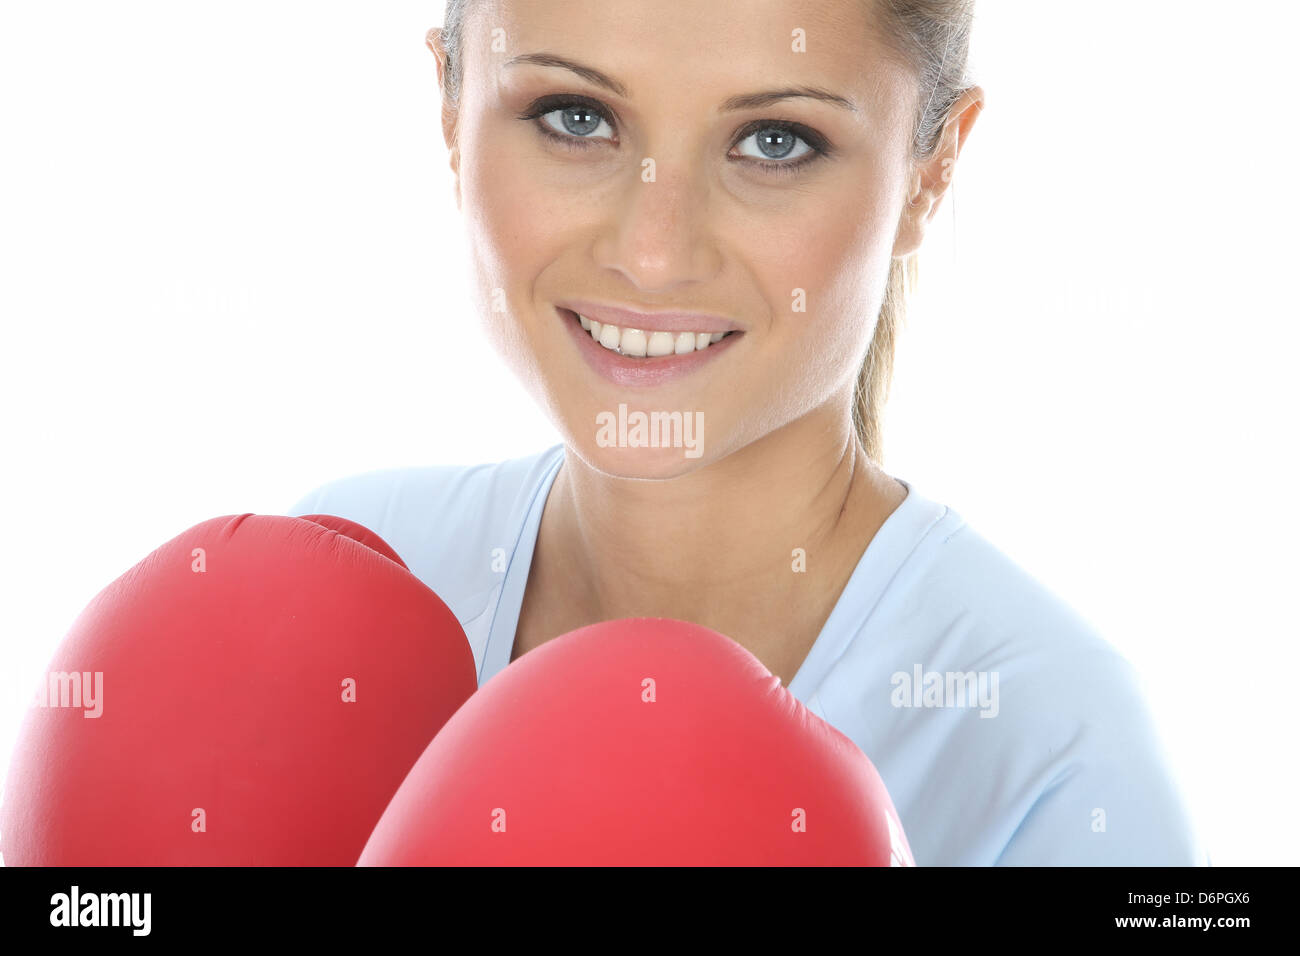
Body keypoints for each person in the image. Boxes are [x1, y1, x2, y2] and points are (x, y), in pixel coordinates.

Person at [290, 0, 1206, 865]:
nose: (653, 252)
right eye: (575, 117)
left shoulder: (1053, 747)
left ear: (932, 171)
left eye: (775, 142)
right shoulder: (348, 577)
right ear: (451, 110)